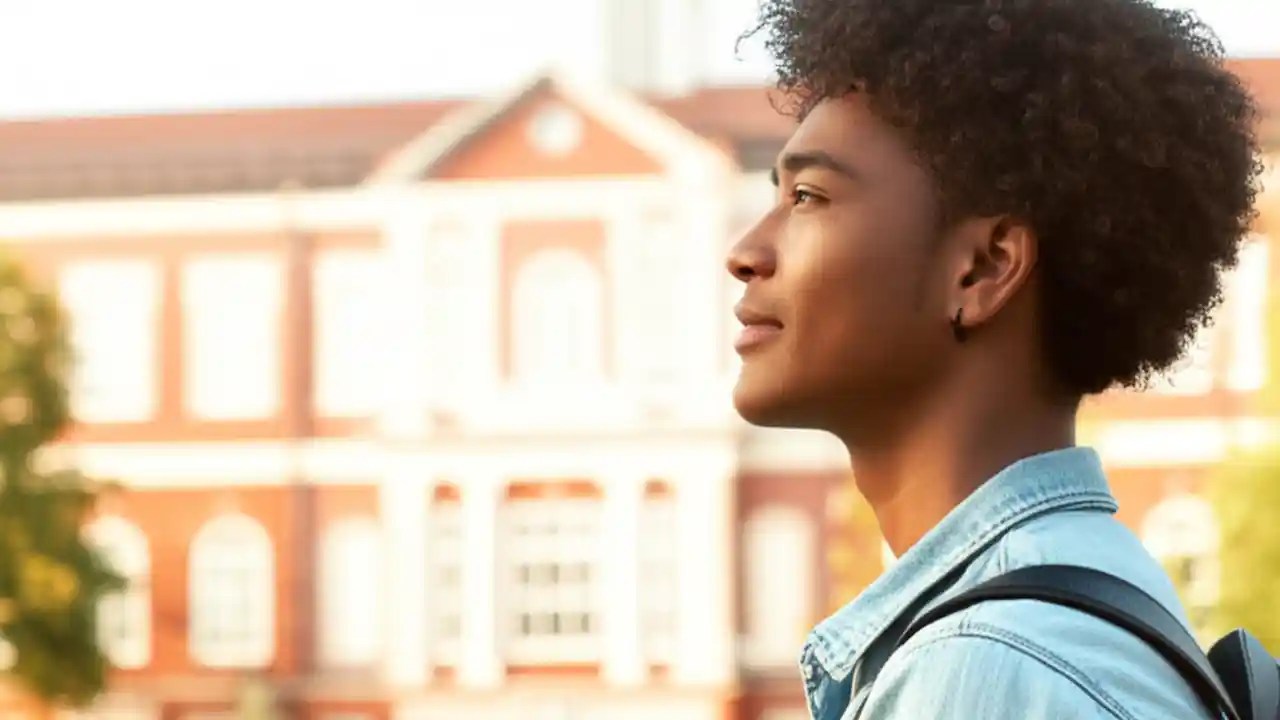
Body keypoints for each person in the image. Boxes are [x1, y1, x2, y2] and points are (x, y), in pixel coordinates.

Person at [725, 0, 1262, 717]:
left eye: (809, 196)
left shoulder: (981, 671)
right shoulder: (1093, 602)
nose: (746, 253)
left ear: (983, 268)